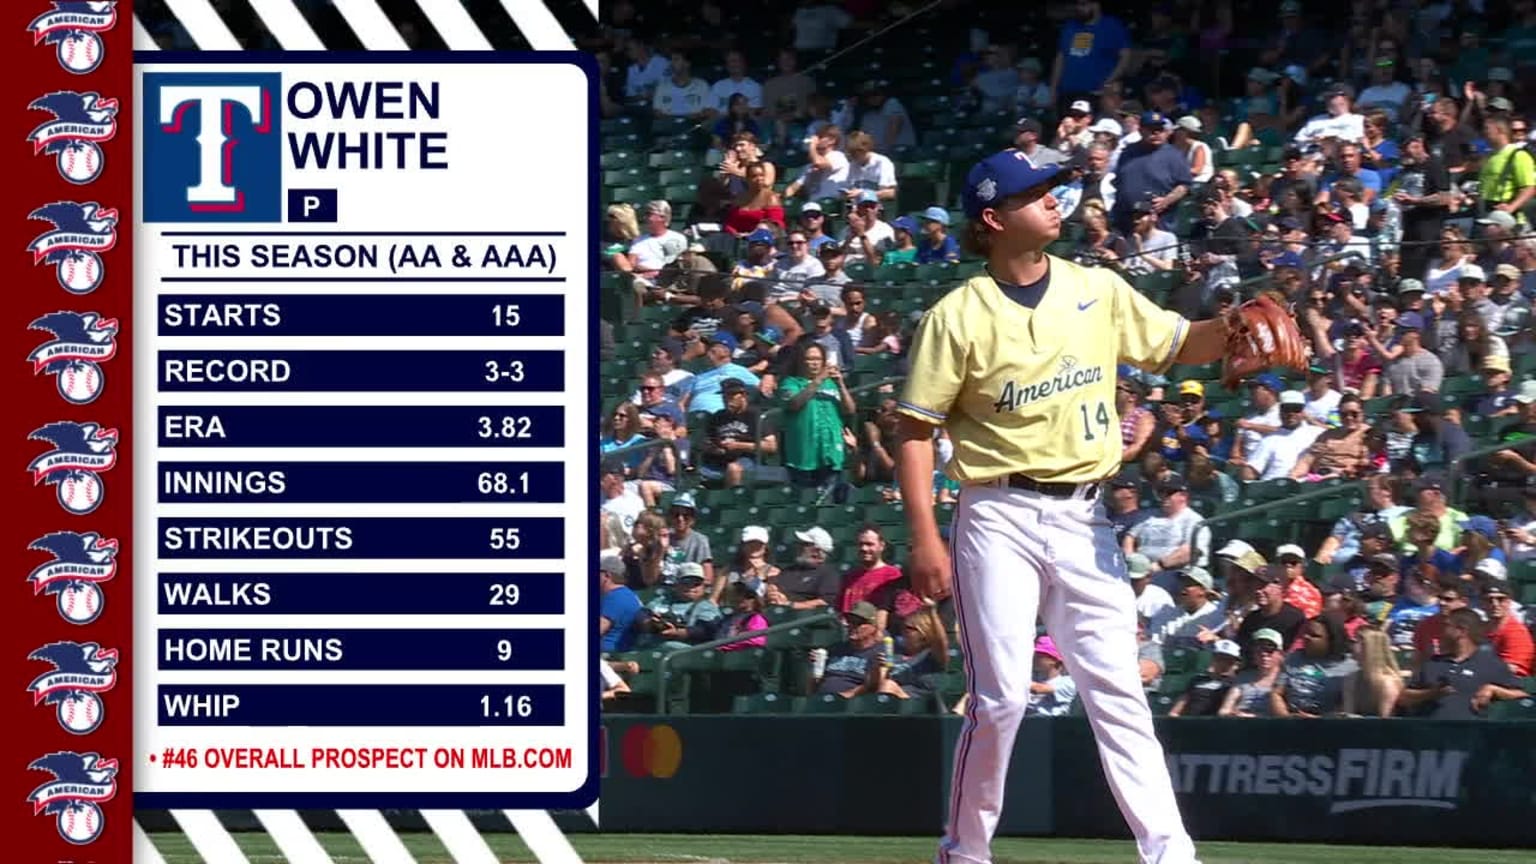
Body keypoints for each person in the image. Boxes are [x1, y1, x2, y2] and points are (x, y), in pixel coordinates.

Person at [895, 148, 1239, 864]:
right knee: (1001, 701)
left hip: (1087, 518)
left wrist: (1237, 328)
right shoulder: (956, 315)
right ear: (993, 218)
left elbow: (1180, 346)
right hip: (997, 514)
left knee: (1118, 691)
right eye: (1035, 193)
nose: (1054, 199)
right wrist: (924, 536)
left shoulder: (1099, 289)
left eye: (1053, 188)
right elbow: (914, 433)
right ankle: (964, 852)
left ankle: (1171, 855)